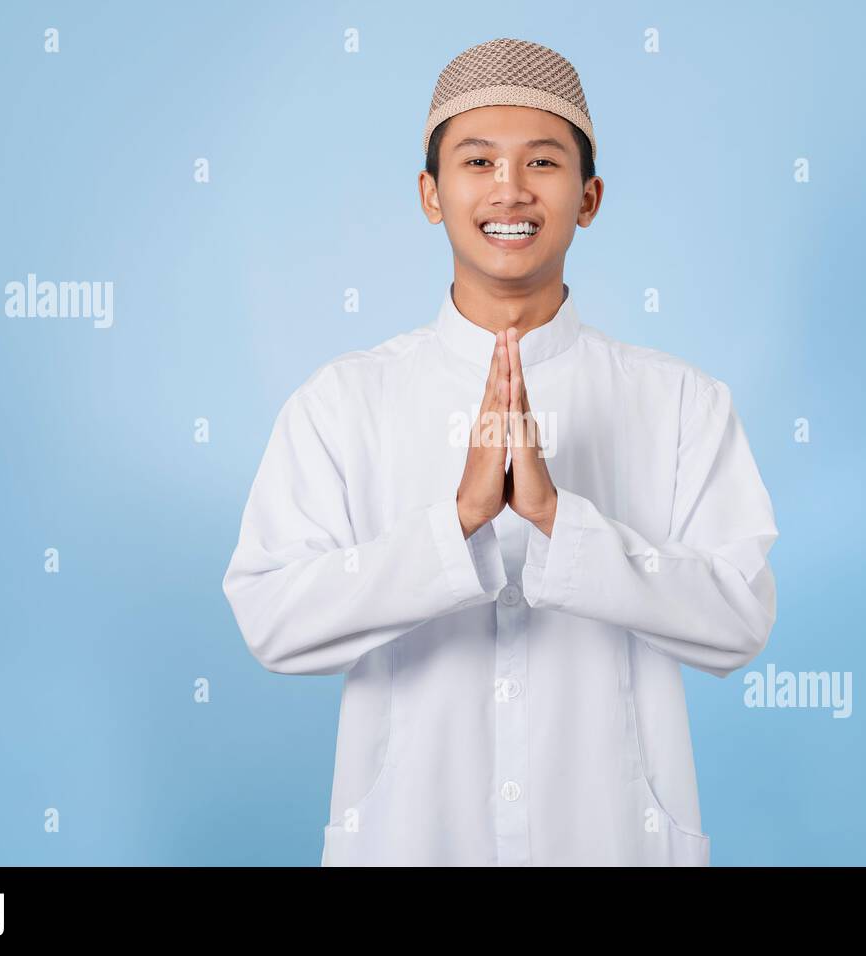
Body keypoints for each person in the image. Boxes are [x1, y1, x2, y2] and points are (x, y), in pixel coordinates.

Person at [221, 37, 780, 866]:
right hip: (410, 840)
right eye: (477, 160)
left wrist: (561, 522)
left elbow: (739, 618)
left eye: (542, 163)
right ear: (430, 193)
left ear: (588, 198)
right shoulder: (344, 401)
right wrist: (455, 527)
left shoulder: (680, 403)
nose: (509, 189)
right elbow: (270, 617)